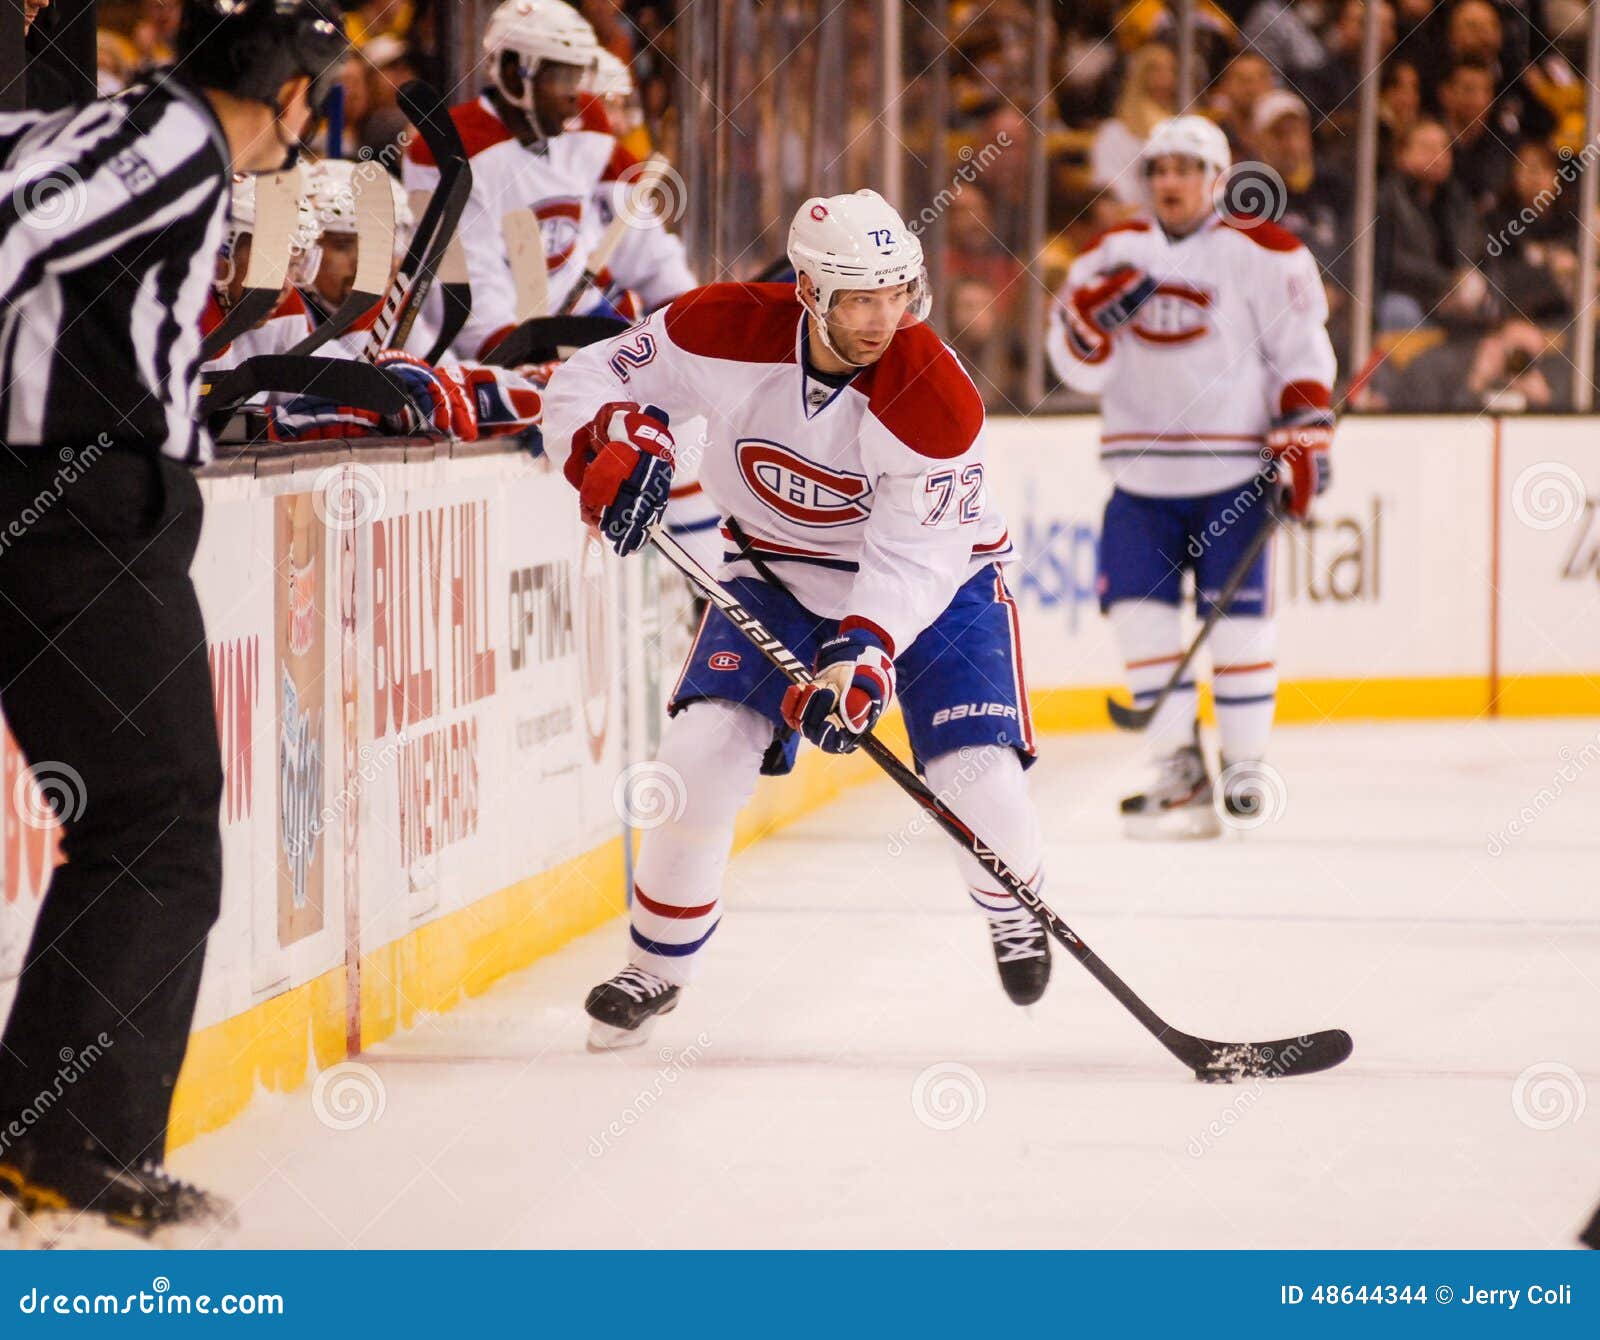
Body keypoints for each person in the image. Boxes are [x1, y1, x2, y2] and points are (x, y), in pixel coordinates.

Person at [542, 189, 1052, 1047]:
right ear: (810, 291)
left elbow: (913, 557)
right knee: (696, 755)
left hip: (943, 580)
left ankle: (1014, 906)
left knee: (978, 776)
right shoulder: (723, 327)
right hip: (777, 571)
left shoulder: (934, 392)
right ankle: (656, 968)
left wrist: (863, 655)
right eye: (861, 296)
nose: (884, 317)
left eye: (899, 292)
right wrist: (606, 437)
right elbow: (592, 376)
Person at [0, 0, 347, 1242]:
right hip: (75, 505)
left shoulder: (122, 124)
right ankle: (69, 1149)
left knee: (136, 815)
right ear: (293, 93)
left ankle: (48, 1135)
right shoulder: (177, 141)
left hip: (73, 500)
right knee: (157, 818)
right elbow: (20, 226)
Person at [1045, 116, 1337, 838]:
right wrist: (1085, 328)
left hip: (1233, 475)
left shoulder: (1265, 251)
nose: (1170, 182)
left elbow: (1301, 351)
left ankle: (1243, 770)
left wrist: (1302, 432)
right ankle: (1179, 770)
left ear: (1217, 178)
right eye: (1160, 169)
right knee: (1139, 620)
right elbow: (1077, 369)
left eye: (1185, 168)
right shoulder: (1107, 254)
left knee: (1237, 625)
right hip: (1139, 476)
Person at [401, 0, 694, 362]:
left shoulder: (588, 127)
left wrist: (687, 313)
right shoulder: (449, 147)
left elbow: (643, 246)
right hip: (494, 356)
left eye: (577, 76)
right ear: (512, 73)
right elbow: (469, 291)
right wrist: (522, 358)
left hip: (584, 324)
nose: (575, 94)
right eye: (560, 77)